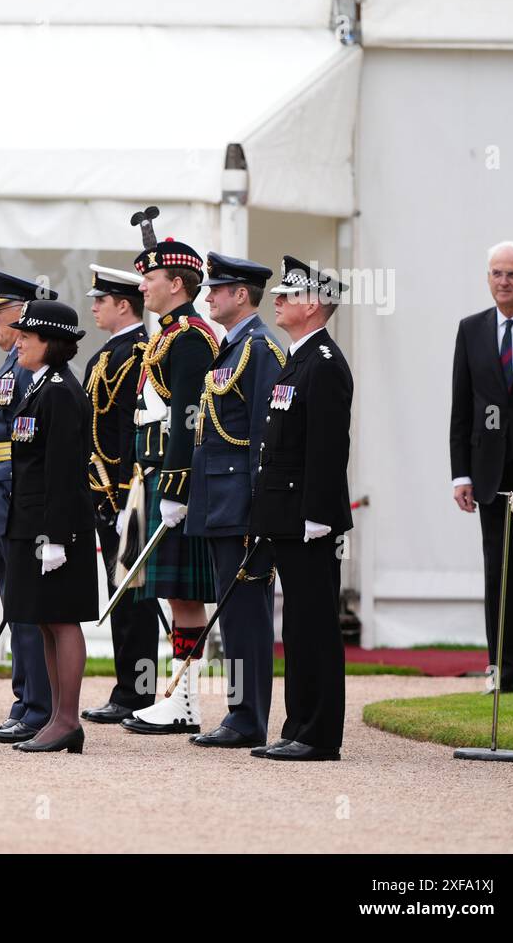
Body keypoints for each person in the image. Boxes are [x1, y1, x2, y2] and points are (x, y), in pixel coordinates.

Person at [118, 210, 220, 736]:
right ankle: (179, 699)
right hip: (154, 474)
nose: (143, 285)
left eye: (150, 278)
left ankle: (185, 700)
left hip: (177, 479)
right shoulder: (168, 336)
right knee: (175, 595)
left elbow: (189, 418)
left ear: (176, 283)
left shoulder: (192, 339)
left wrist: (176, 486)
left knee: (185, 595)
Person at [249, 256, 353, 761]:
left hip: (311, 518)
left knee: (315, 625)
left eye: (287, 296)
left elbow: (328, 448)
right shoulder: (298, 358)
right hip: (288, 515)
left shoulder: (326, 364)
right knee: (297, 627)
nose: (278, 301)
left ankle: (319, 734)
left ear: (312, 305)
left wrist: (317, 514)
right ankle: (298, 725)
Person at [186, 253, 284, 749]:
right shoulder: (234, 347)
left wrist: (259, 512)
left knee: (246, 614)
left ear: (240, 295)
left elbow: (268, 437)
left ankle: (248, 717)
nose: (208, 296)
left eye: (217, 289)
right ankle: (239, 711)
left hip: (241, 505)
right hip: (221, 501)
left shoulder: (259, 349)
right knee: (235, 614)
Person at [3, 299, 98, 753]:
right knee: (44, 621)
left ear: (51, 343)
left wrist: (57, 539)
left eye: (28, 335)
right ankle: (58, 719)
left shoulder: (60, 391)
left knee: (62, 620)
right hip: (32, 523)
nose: (18, 340)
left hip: (56, 527)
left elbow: (63, 470)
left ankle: (67, 718)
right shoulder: (40, 386)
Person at [451, 241, 513, 694]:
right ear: (487, 278)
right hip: (489, 475)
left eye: (511, 274)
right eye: (496, 274)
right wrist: (460, 474)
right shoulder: (471, 330)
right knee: (499, 575)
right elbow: (461, 409)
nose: (503, 282)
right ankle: (502, 670)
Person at [0, 271, 53, 745]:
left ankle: (35, 706)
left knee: (25, 608)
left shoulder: (26, 366)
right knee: (15, 603)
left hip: (15, 497)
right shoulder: (12, 364)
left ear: (23, 313)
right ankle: (25, 702)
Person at [79, 264, 162, 726]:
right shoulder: (113, 353)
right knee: (123, 596)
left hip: (124, 494)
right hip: (106, 491)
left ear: (123, 305)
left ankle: (136, 692)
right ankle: (129, 688)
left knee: (132, 597)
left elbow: (125, 431)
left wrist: (121, 494)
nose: (94, 306)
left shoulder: (134, 355)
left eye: (101, 300)